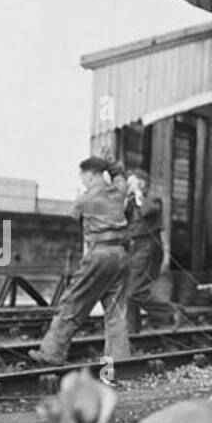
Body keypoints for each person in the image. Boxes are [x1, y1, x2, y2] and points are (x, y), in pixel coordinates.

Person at [29, 156, 132, 366]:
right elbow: (120, 175)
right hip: (121, 255)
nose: (82, 180)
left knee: (73, 302)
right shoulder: (119, 191)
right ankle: (120, 361)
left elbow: (73, 214)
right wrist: (111, 164)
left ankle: (52, 352)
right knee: (116, 312)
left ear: (90, 174)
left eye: (83, 176)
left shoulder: (85, 199)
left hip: (99, 255)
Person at [123, 168, 171, 331]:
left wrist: (138, 194)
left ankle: (171, 310)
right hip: (133, 247)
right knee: (128, 291)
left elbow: (147, 211)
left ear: (142, 184)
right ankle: (132, 330)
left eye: (132, 182)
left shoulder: (153, 199)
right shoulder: (131, 201)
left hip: (148, 246)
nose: (128, 185)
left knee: (134, 291)